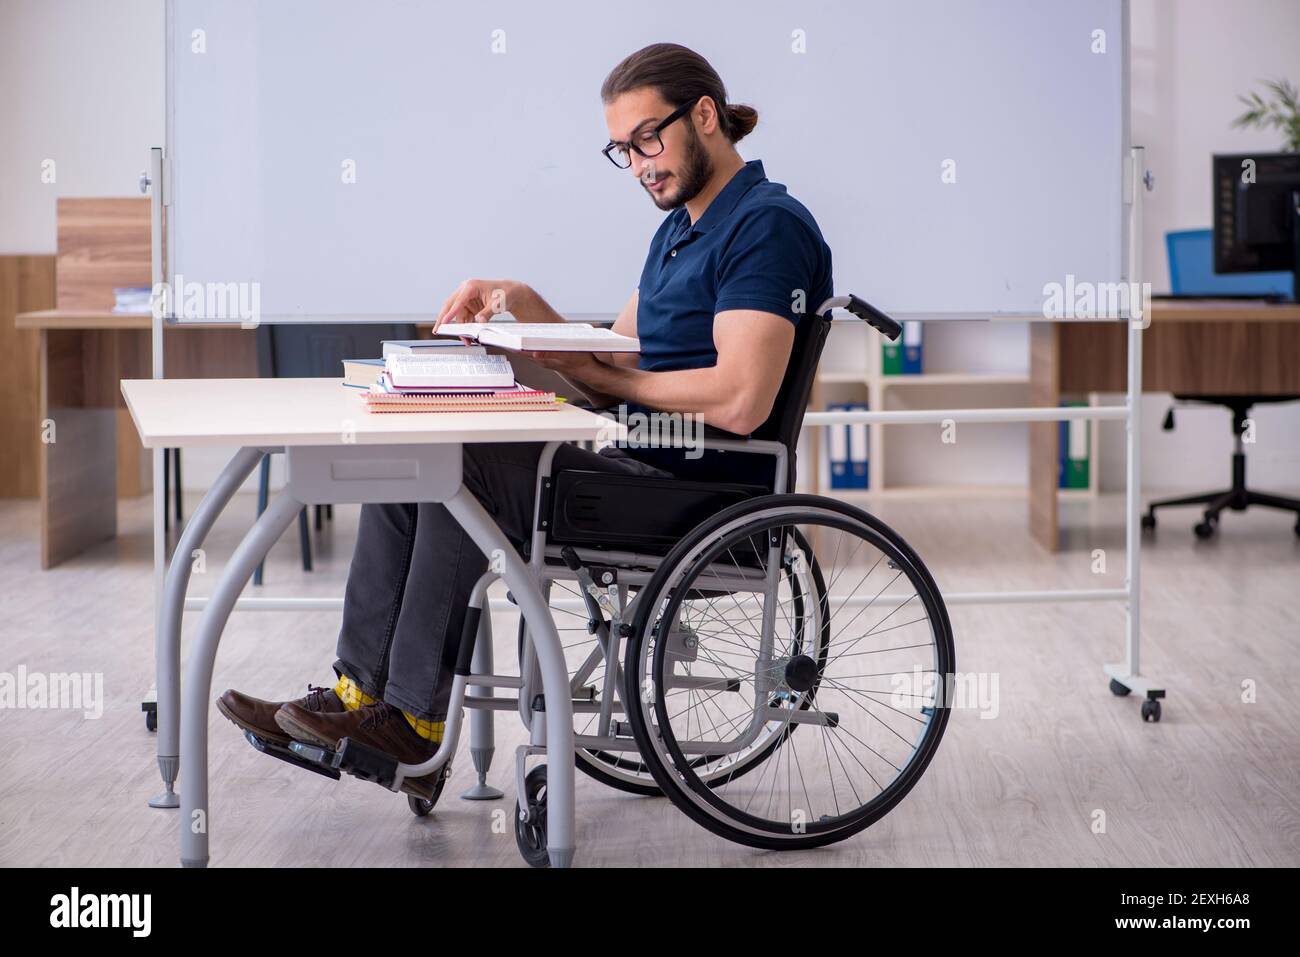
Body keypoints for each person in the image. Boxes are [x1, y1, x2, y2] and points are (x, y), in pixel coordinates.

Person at [217, 42, 833, 799]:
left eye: (649, 138)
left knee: (462, 461)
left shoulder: (765, 227)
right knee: (415, 437)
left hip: (697, 497)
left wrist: (610, 379)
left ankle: (412, 723)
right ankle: (360, 698)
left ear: (704, 115)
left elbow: (743, 397)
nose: (640, 164)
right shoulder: (680, 229)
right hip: (641, 463)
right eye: (622, 149)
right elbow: (616, 363)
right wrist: (524, 307)